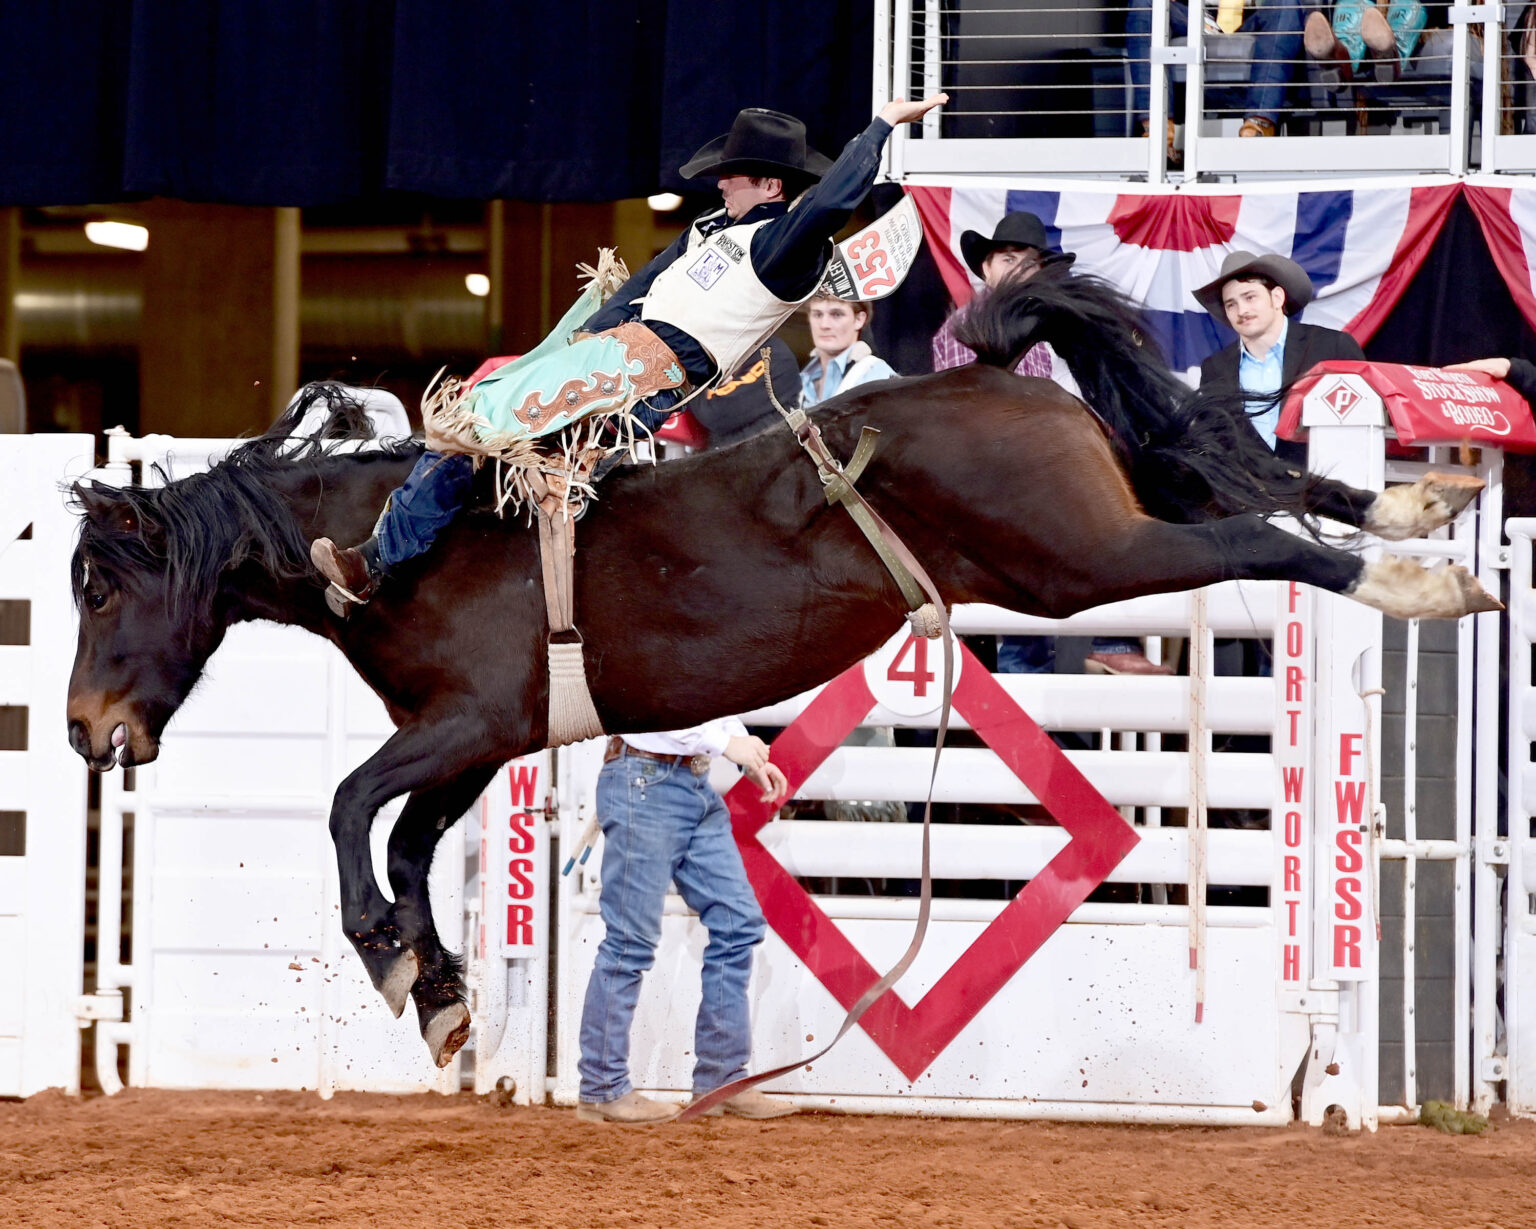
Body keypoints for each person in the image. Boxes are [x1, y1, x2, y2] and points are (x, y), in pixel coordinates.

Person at [310, 95, 948, 609]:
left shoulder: (782, 250)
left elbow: (829, 203)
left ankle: (383, 564)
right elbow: (642, 285)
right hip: (611, 359)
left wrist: (881, 126)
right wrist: (591, 334)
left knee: (484, 427)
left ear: (769, 183)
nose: (721, 184)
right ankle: (401, 567)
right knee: (480, 428)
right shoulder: (709, 230)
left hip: (646, 378)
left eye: (732, 175)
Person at [934, 212, 1168, 677]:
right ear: (986, 268)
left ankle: (1108, 641)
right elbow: (975, 418)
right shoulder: (967, 327)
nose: (1019, 268)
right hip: (995, 481)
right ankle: (1101, 645)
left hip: (1043, 473)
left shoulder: (1047, 326)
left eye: (1029, 261)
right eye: (1007, 258)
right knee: (1028, 598)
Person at [577, 719, 792, 1124]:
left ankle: (721, 1081)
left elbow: (704, 699)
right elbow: (658, 699)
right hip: (646, 777)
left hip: (678, 779)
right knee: (630, 942)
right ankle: (602, 1087)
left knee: (738, 925)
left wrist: (742, 750)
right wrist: (728, 744)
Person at [1193, 248, 1365, 469]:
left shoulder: (1332, 347)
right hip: (1246, 488)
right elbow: (1211, 442)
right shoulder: (1214, 369)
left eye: (1250, 297)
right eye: (1231, 304)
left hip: (1324, 486)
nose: (1241, 310)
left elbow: (1365, 426)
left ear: (1277, 298)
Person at [1125, 0, 1306, 147]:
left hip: (1253, 18)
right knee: (1146, 3)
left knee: (1287, 4)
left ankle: (1259, 125)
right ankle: (1158, 131)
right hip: (1196, 16)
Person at [799, 292, 897, 408]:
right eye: (818, 315)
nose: (824, 325)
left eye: (837, 315)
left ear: (859, 320)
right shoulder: (802, 378)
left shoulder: (878, 377)